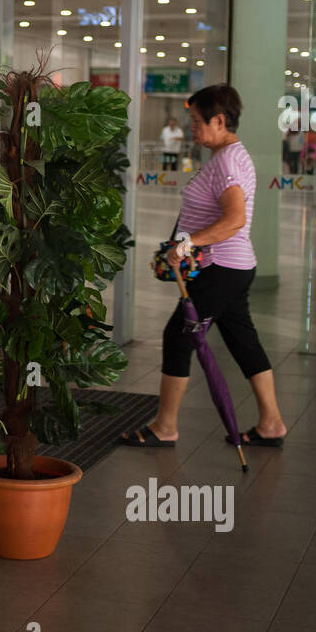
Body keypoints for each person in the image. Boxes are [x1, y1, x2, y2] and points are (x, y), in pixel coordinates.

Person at [121, 83, 286, 449]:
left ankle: (165, 427)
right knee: (243, 340)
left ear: (220, 120)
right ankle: (271, 423)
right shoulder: (230, 156)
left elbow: (235, 219)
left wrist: (187, 243)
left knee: (177, 337)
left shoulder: (227, 162)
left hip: (220, 269)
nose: (191, 127)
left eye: (196, 121)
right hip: (233, 267)